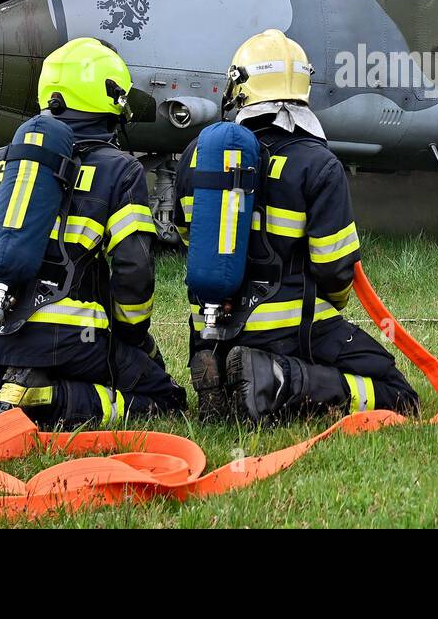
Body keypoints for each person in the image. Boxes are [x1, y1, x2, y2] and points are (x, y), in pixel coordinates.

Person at [174, 29, 418, 424]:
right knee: (398, 393)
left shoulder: (196, 155)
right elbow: (335, 269)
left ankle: (220, 374)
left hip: (210, 328)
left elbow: (190, 237)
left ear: (240, 87)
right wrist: (330, 313)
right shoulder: (317, 164)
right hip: (289, 332)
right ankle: (280, 379)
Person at [0, 37, 186, 426]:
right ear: (111, 99)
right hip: (68, 338)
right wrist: (132, 338)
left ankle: (24, 376)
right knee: (163, 398)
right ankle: (49, 397)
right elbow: (133, 270)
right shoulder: (118, 171)